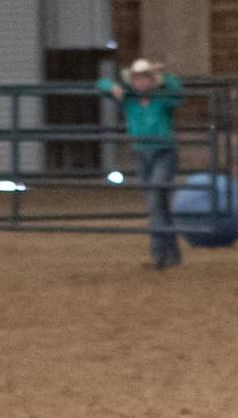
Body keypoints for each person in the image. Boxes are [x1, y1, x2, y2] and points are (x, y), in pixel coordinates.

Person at [98, 58, 185, 270]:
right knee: (159, 203)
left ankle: (158, 253)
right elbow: (101, 85)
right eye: (137, 78)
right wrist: (113, 87)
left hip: (163, 153)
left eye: (145, 77)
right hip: (142, 154)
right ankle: (171, 253)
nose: (141, 82)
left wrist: (166, 78)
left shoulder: (162, 97)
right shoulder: (130, 98)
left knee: (156, 199)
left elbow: (177, 93)